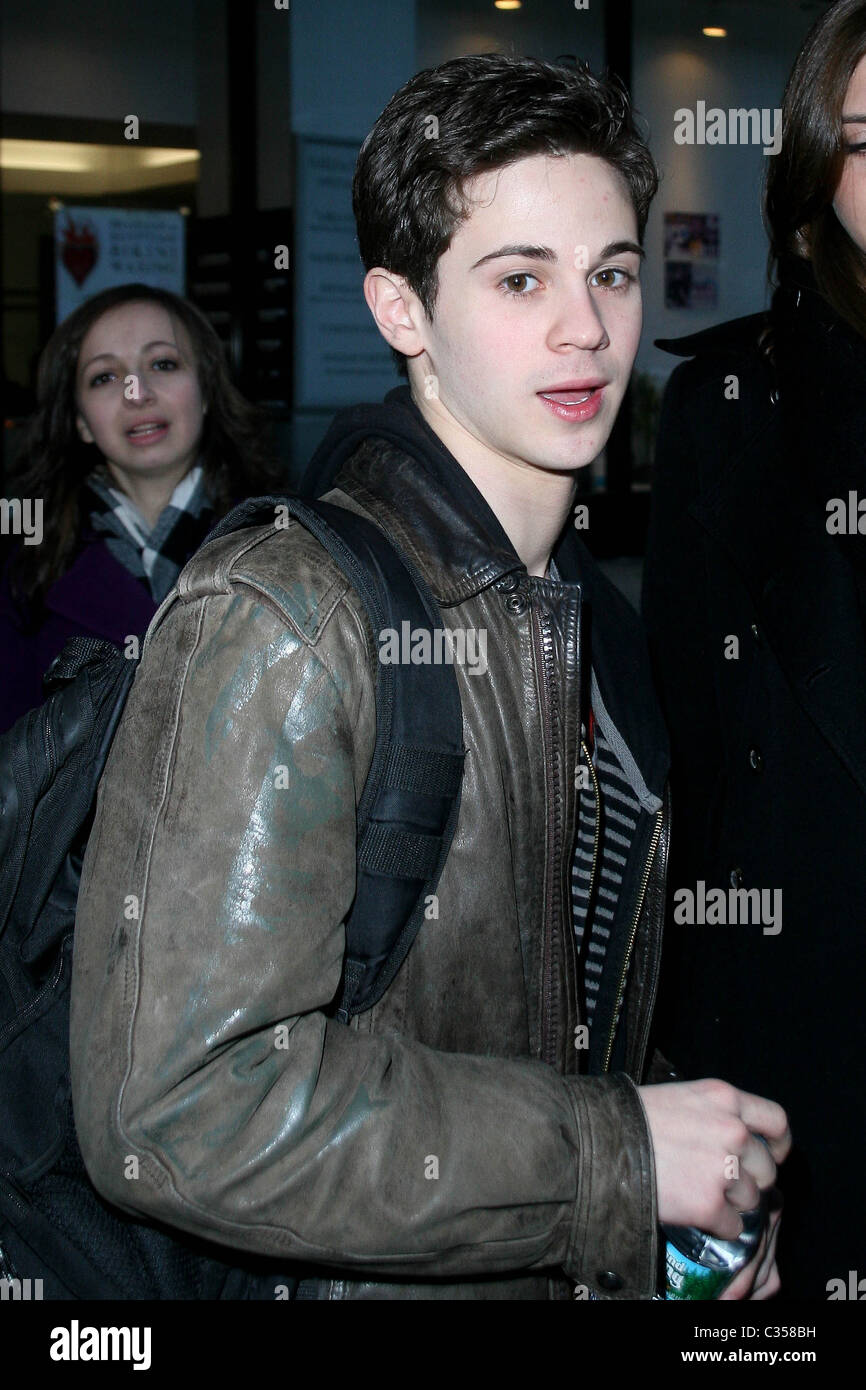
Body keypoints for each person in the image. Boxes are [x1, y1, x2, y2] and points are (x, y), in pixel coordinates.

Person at [70, 54, 789, 1302]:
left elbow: (553, 1001)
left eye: (610, 273)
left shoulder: (589, 620)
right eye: (520, 279)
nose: (586, 328)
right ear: (401, 310)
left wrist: (675, 1198)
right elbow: (177, 1108)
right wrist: (614, 1157)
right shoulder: (285, 614)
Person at [642, 0, 866, 1300]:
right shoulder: (732, 406)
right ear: (807, 167)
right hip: (804, 1051)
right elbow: (694, 780)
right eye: (861, 136)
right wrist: (687, 1103)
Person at [0, 283, 280, 734]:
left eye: (163, 364)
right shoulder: (22, 564)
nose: (136, 392)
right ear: (80, 422)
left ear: (206, 392)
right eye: (104, 377)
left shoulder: (286, 541)